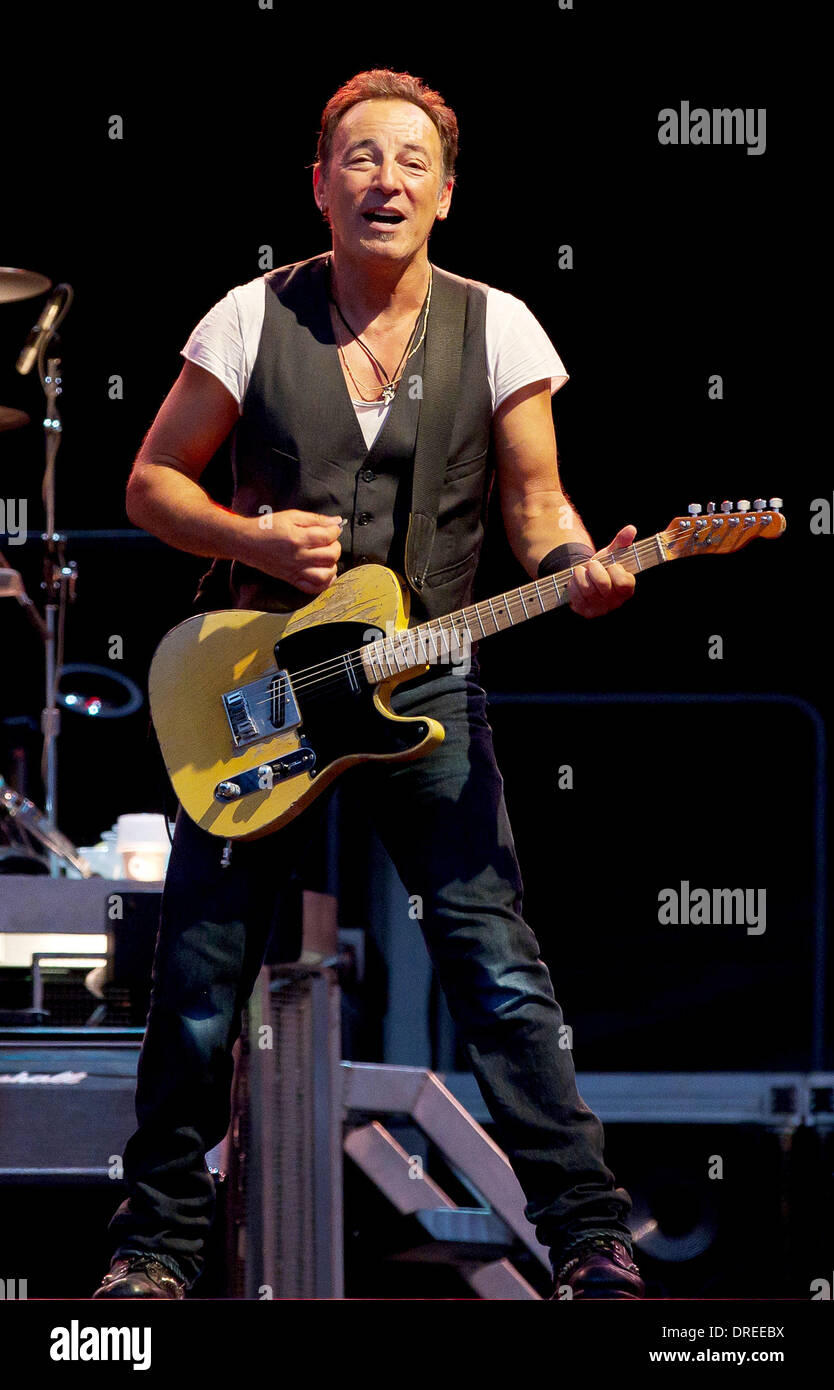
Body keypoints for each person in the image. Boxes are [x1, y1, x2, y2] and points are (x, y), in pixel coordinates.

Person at [93, 68, 643, 1302]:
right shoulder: (251, 313)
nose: (383, 179)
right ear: (318, 185)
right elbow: (149, 485)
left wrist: (574, 566)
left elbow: (535, 501)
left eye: (409, 162)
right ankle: (154, 1249)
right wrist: (253, 541)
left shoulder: (500, 325)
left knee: (495, 961)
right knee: (199, 979)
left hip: (424, 678)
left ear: (446, 192)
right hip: (259, 681)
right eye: (357, 158)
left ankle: (588, 1236)